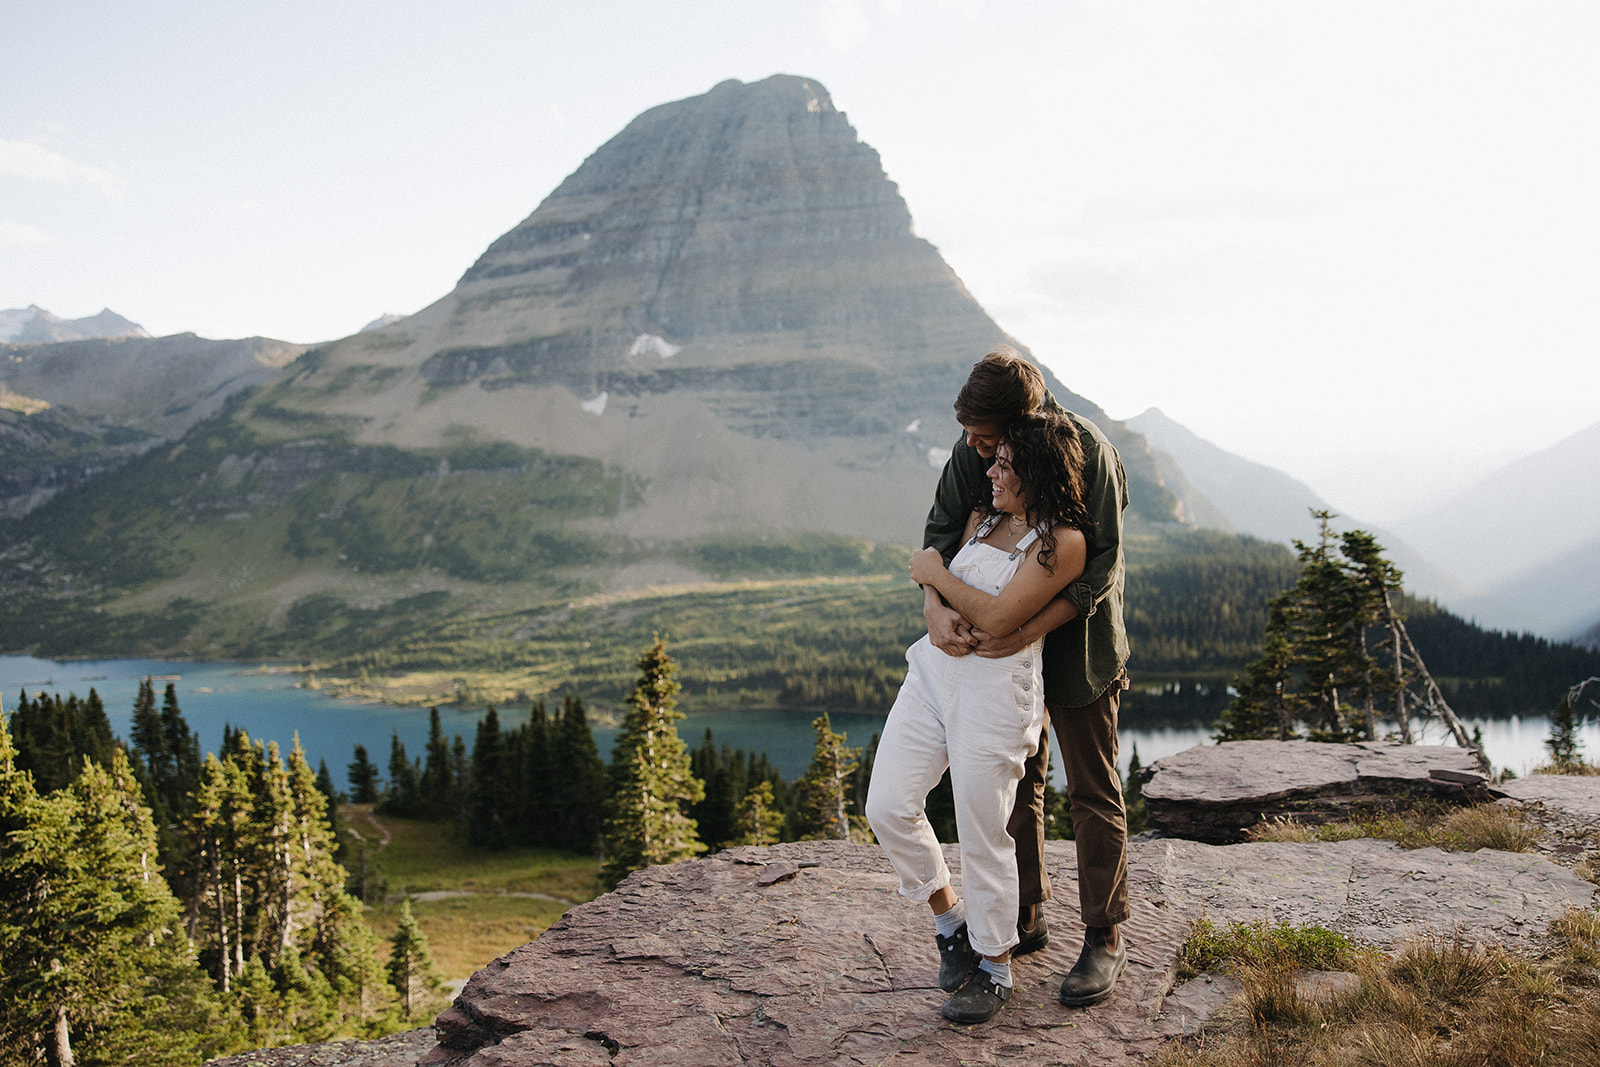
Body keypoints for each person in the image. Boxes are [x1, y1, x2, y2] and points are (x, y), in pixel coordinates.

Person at [866, 410, 1093, 1025]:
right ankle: (950, 921)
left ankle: (994, 967)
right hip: (934, 676)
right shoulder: (981, 516)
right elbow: (954, 599)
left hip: (996, 692)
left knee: (982, 826)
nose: (989, 470)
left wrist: (936, 574)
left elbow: (997, 617)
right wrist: (934, 605)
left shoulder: (1061, 543)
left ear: (1038, 472)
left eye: (1004, 464)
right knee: (886, 804)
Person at [922, 345, 1132, 1008]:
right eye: (971, 438)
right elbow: (937, 533)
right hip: (1001, 655)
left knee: (1093, 789)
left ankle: (1104, 934)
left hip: (1078, 648)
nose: (977, 452)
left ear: (1022, 422)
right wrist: (936, 609)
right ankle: (1026, 913)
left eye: (987, 439)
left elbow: (1099, 568)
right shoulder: (977, 449)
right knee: (1018, 786)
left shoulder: (1087, 450)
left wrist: (1021, 629)